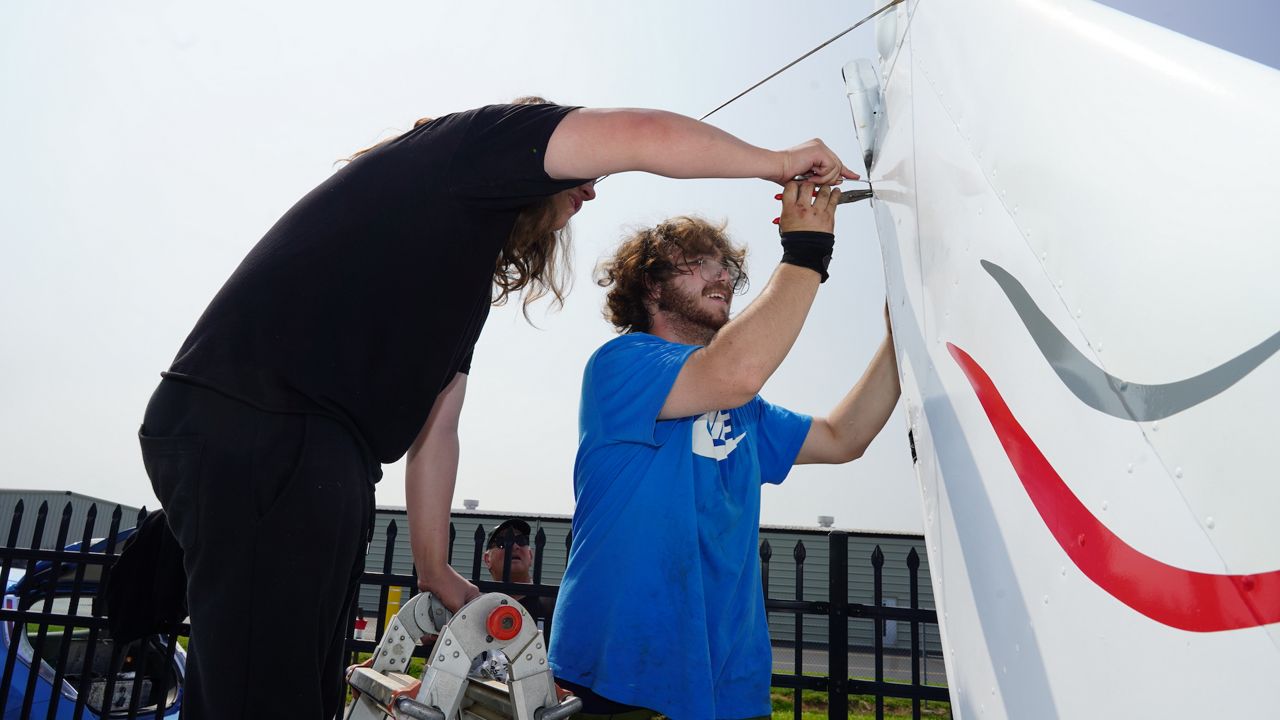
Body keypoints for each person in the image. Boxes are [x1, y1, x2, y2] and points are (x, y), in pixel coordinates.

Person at [137, 95, 855, 719]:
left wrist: (432, 568)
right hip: (267, 427)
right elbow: (640, 133)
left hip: (317, 456)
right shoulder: (477, 143)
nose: (591, 192)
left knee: (284, 692)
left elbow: (438, 429)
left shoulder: (457, 275)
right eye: (584, 176)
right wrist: (779, 159)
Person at [547, 184, 901, 719]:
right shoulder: (621, 364)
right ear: (652, 286)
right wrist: (807, 251)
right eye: (697, 264)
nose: (722, 277)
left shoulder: (746, 408)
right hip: (617, 667)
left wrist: (901, 340)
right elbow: (732, 371)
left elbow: (843, 436)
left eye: (727, 269)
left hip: (728, 678)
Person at [481, 518, 554, 628]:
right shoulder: (479, 606)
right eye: (502, 542)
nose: (515, 546)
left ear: (530, 556)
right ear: (487, 559)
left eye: (521, 540)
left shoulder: (553, 604)